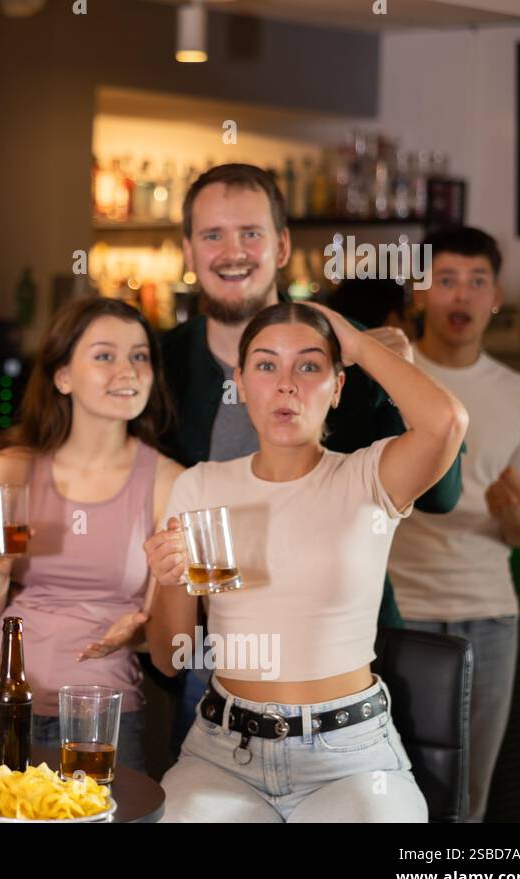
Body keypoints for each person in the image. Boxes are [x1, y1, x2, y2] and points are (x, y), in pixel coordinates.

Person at [157, 163, 463, 754]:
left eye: (250, 232)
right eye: (212, 235)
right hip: (212, 668)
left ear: (281, 246)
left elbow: (442, 491)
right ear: (189, 250)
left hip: (337, 659)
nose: (232, 252)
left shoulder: (345, 352)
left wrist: (375, 355)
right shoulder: (159, 363)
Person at [146, 301, 467, 821]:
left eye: (310, 365)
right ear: (242, 384)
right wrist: (167, 582)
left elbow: (446, 422)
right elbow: (170, 658)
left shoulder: (369, 477)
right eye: (267, 365)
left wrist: (358, 344)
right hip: (224, 752)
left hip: (351, 757)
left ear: (338, 387)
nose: (287, 384)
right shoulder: (201, 485)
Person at [0, 297, 183, 773]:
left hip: (100, 717)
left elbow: (167, 641)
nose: (127, 370)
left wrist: (140, 630)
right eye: (104, 356)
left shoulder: (169, 481)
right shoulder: (10, 466)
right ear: (63, 376)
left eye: (139, 356)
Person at [388, 226, 520, 823]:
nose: (462, 296)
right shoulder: (392, 378)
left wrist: (513, 513)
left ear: (496, 296)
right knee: (390, 793)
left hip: (490, 617)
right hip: (398, 612)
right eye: (447, 280)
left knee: (465, 802)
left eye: (476, 282)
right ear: (421, 292)